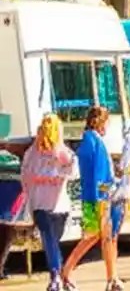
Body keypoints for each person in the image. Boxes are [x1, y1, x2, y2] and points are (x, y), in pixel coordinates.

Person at [61, 106, 124, 291]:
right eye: (106, 123)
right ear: (100, 122)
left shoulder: (90, 140)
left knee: (106, 238)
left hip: (97, 196)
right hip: (99, 198)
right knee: (98, 237)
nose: (107, 127)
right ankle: (67, 272)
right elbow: (97, 175)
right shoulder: (93, 142)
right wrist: (108, 189)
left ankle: (112, 278)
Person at [20, 114, 76, 291]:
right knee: (50, 240)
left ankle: (60, 276)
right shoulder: (33, 152)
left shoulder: (62, 152)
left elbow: (74, 172)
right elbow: (25, 174)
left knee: (53, 241)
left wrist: (59, 174)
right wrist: (40, 180)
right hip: (42, 205)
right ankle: (56, 277)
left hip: (59, 206)